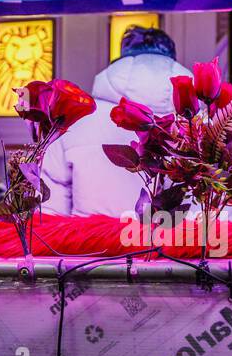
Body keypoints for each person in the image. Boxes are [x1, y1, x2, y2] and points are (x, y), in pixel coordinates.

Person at [40, 26, 191, 218]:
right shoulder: (203, 127)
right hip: (180, 244)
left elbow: (48, 213)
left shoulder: (75, 122)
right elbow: (229, 218)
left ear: (121, 59)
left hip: (92, 246)